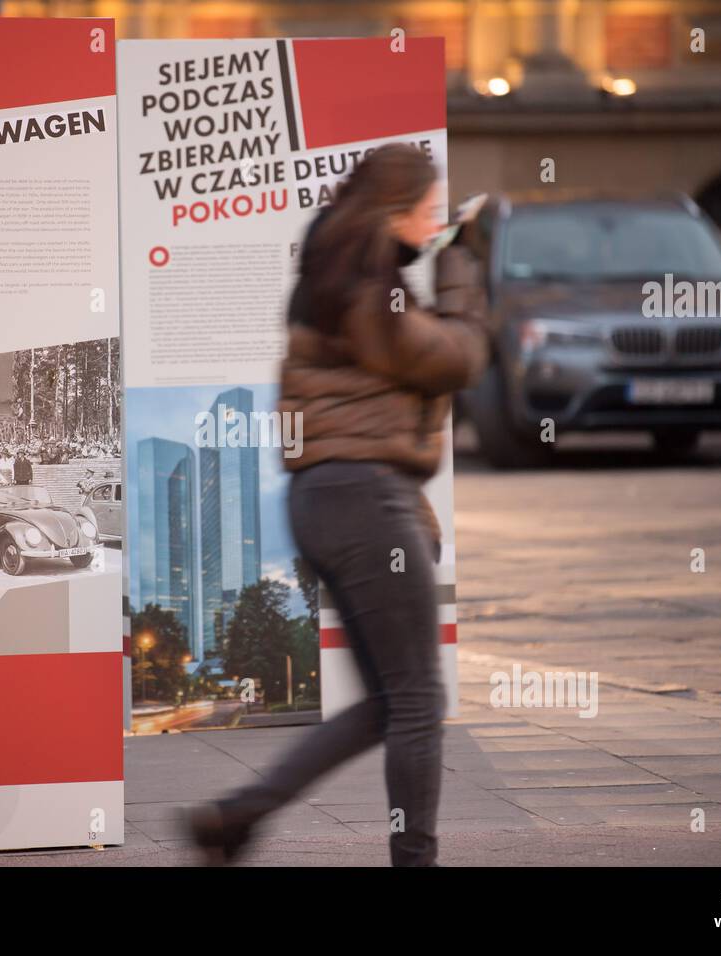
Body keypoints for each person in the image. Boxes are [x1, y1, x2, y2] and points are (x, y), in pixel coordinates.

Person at [185, 144, 492, 867]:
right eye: (429, 208)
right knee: (417, 702)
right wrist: (460, 268)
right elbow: (457, 357)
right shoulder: (369, 294)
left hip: (330, 502)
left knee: (391, 700)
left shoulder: (341, 279)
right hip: (364, 502)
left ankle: (236, 817)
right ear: (393, 211)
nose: (436, 221)